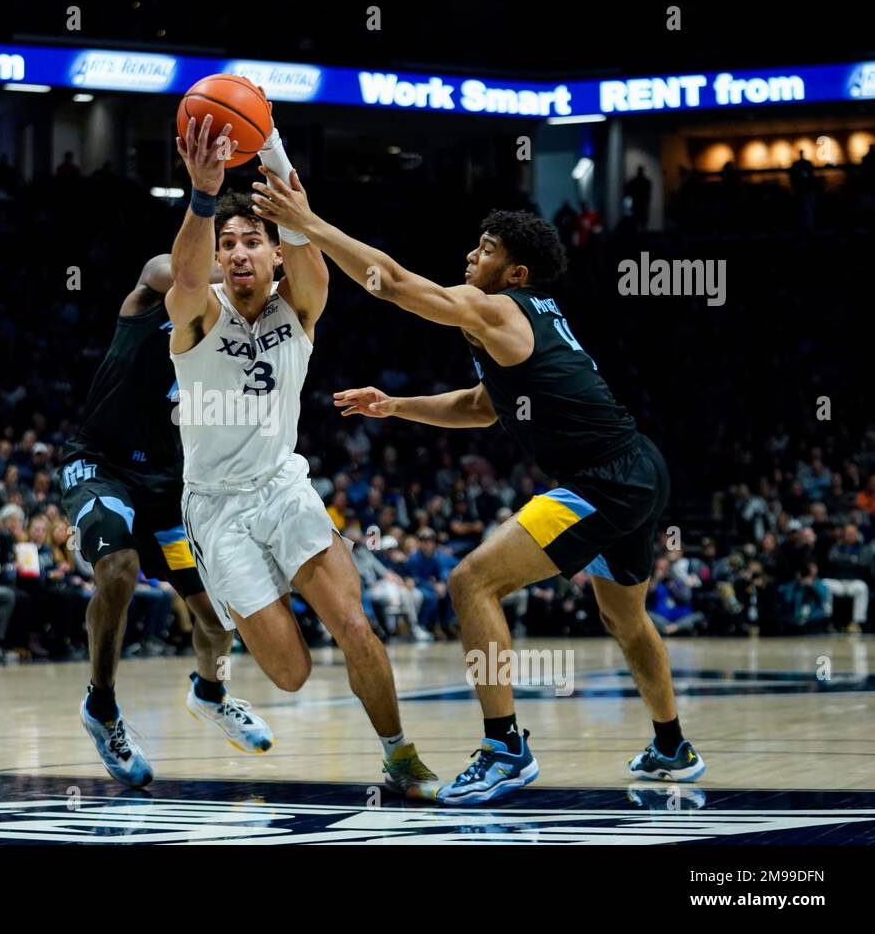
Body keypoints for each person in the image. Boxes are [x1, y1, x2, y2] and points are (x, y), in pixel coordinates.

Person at [253, 184, 705, 803]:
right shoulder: (527, 319)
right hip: (639, 469)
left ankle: (504, 747)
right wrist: (397, 406)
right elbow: (482, 407)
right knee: (625, 617)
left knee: (471, 582)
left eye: (486, 249)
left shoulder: (499, 307)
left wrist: (310, 224)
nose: (471, 255)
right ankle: (672, 746)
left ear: (514, 273)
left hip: (604, 479)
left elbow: (393, 282)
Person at [167, 111, 440, 799]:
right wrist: (203, 196)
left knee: (353, 623)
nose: (236, 253)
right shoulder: (199, 313)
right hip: (217, 509)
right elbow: (188, 277)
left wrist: (273, 145)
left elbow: (307, 235)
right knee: (290, 674)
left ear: (275, 252)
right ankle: (222, 659)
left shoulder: (302, 305)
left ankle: (399, 754)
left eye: (251, 241)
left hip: (284, 489)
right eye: (227, 243)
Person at [60, 249, 274, 787]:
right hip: (99, 465)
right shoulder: (157, 294)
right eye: (229, 249)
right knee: (119, 570)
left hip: (167, 486)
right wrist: (253, 273)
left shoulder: (234, 340)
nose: (237, 259)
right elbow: (166, 267)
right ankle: (102, 707)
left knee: (219, 613)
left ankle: (211, 692)